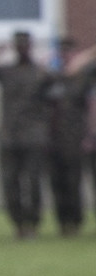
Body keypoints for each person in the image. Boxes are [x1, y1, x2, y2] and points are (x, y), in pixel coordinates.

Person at [0, 30, 54, 238]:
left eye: (25, 44)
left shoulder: (41, 73)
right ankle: (18, 223)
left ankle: (32, 223)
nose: (21, 48)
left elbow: (58, 91)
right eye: (18, 44)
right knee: (10, 183)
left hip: (33, 136)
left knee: (33, 183)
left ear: (30, 46)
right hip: (9, 136)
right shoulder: (5, 71)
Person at [48, 40, 96, 237]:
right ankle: (65, 223)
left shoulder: (85, 79)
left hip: (78, 137)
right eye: (62, 52)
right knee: (59, 182)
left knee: (78, 181)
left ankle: (76, 221)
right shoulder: (52, 78)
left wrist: (90, 135)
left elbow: (90, 107)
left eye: (69, 52)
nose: (65, 56)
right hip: (54, 139)